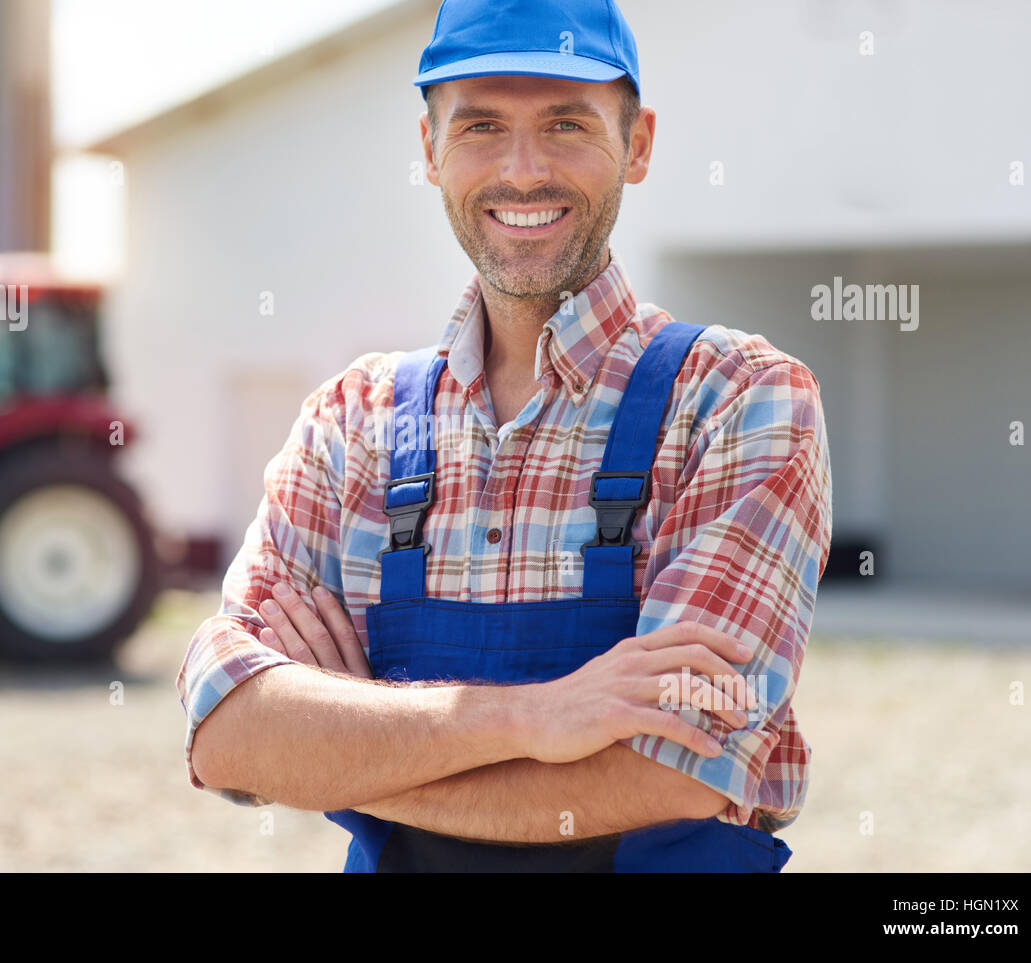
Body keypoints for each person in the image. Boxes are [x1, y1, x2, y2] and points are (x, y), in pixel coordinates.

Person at [176, 0, 833, 872]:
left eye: (567, 124)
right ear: (429, 150)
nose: (524, 172)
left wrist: (342, 746)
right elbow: (228, 734)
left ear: (637, 146)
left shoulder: (737, 404)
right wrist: (539, 717)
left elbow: (678, 769)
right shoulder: (350, 423)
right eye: (481, 125)